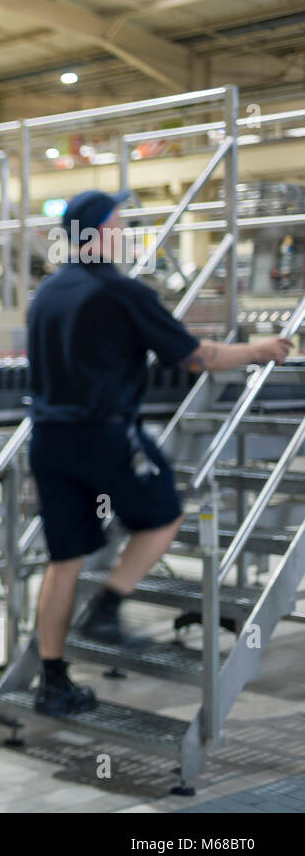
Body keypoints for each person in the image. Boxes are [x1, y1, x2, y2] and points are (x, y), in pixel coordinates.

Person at [26, 189, 292, 716]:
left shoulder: (49, 292)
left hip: (48, 438)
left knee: (63, 561)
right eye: (119, 223)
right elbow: (197, 356)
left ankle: (51, 681)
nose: (124, 232)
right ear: (99, 233)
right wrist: (261, 350)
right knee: (165, 513)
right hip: (106, 435)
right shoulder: (122, 291)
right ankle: (108, 605)